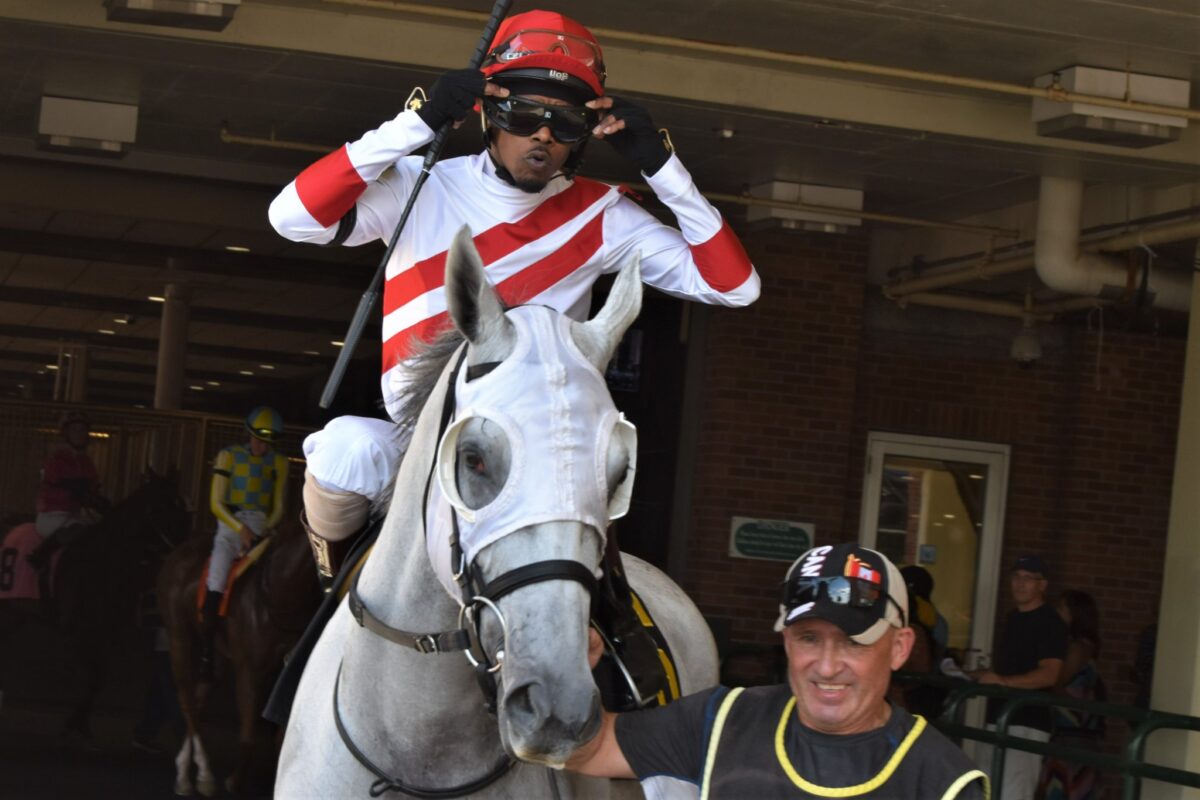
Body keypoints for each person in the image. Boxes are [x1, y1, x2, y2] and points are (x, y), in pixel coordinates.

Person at [267, 9, 761, 584]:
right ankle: (338, 590)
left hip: (540, 463)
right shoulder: (421, 183)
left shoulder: (605, 213)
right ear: (488, 116)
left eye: (565, 124)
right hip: (419, 442)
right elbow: (291, 218)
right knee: (345, 450)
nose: (543, 136)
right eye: (524, 116)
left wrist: (661, 165)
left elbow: (736, 288)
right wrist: (417, 124)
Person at [568, 543, 988, 798]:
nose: (826, 666)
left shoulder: (943, 783)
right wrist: (568, 674)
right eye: (808, 638)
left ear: (900, 648)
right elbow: (584, 749)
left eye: (854, 641)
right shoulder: (723, 722)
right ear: (786, 640)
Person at [199, 406, 289, 681]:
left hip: (262, 526)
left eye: (267, 442)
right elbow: (215, 502)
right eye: (257, 439)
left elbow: (280, 506)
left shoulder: (280, 462)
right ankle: (206, 653)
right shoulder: (228, 456)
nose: (261, 446)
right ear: (248, 435)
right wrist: (241, 529)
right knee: (216, 580)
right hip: (230, 524)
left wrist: (266, 529)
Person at [971, 555, 1068, 800]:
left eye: (1029, 578)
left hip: (1027, 723)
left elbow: (1049, 674)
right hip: (999, 718)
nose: (1020, 583)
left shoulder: (1050, 622)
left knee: (1013, 793)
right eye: (1016, 576)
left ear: (1042, 585)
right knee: (986, 791)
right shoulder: (1013, 618)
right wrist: (980, 676)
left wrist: (1003, 683)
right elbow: (1010, 669)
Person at [1035, 589, 1105, 800]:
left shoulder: (1079, 647)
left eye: (1062, 608)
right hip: (1066, 732)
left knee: (1067, 787)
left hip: (1074, 734)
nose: (1057, 613)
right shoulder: (1073, 644)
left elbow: (1057, 680)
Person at [27, 409, 104, 569]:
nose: (79, 434)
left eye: (82, 430)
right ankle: (39, 556)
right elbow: (52, 490)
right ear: (66, 434)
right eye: (75, 430)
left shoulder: (87, 463)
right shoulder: (55, 461)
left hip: (73, 516)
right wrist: (75, 495)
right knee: (77, 531)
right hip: (52, 515)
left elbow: (94, 489)